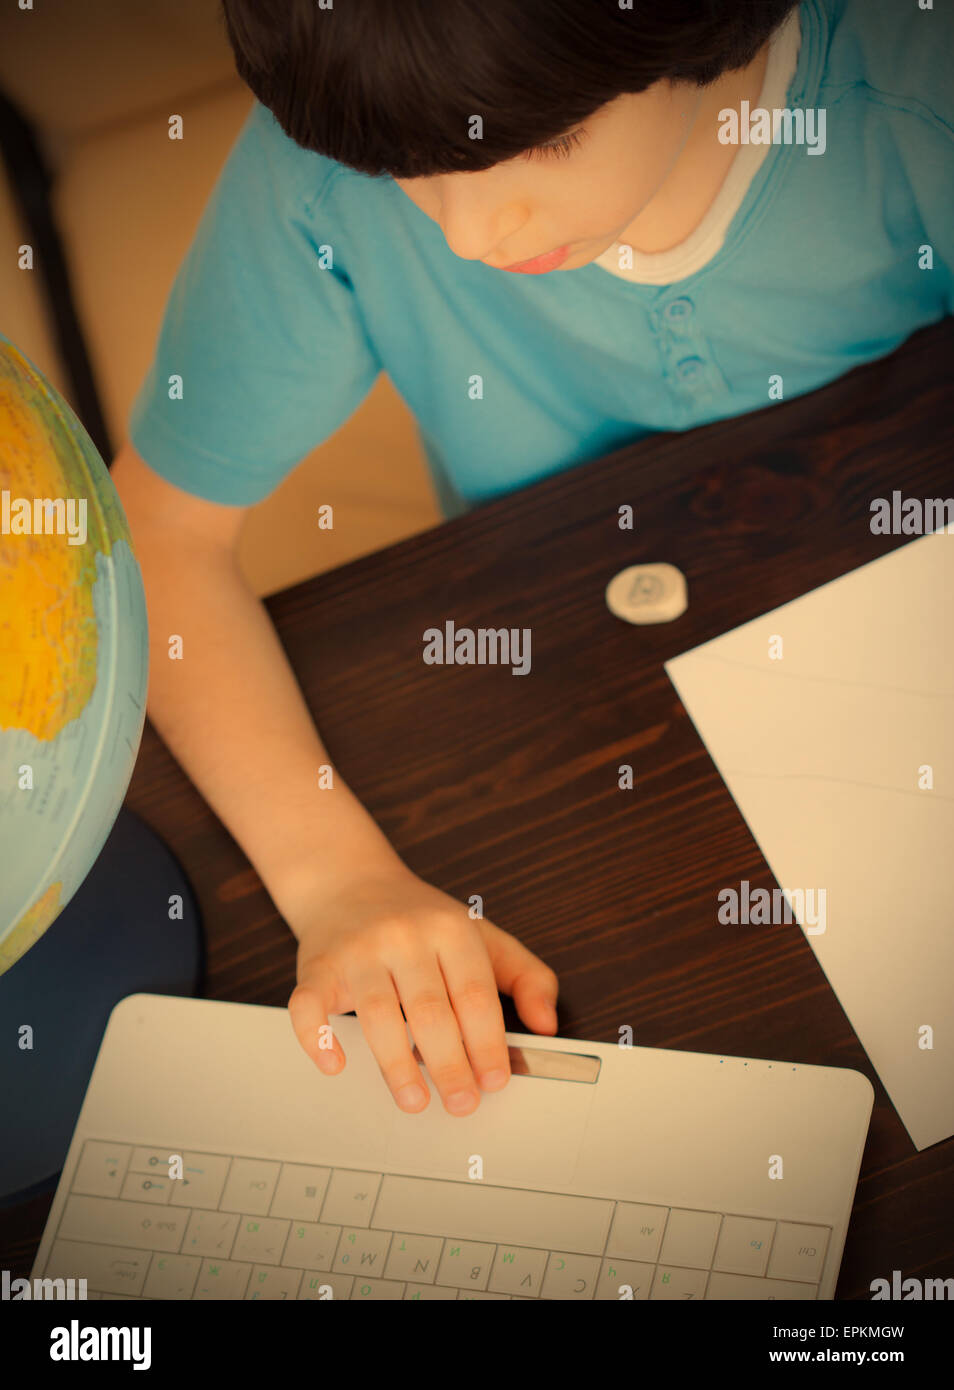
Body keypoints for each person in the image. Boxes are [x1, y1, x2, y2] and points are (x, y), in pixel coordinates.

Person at [112, 0, 953, 1117]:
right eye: (413, 173)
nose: (467, 234)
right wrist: (338, 879)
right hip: (575, 717)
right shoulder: (330, 166)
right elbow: (156, 539)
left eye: (545, 144)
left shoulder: (916, 81)